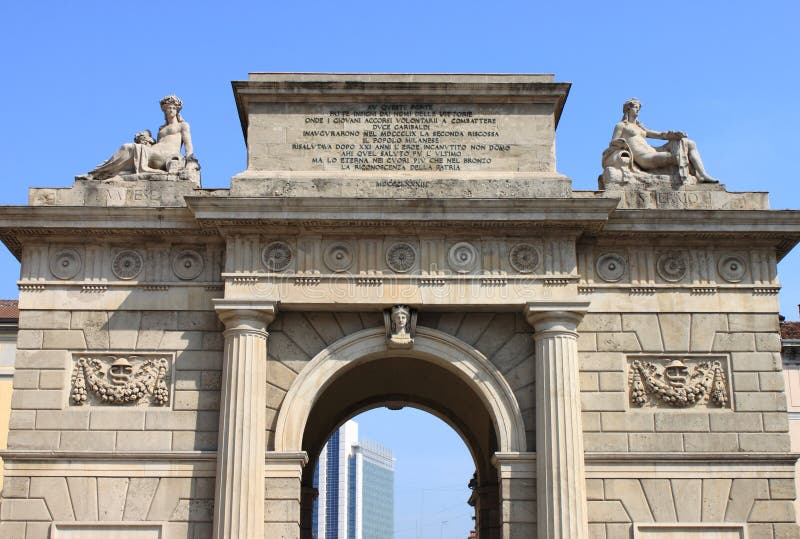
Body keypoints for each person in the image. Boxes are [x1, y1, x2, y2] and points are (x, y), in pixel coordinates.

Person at [607, 98, 718, 183]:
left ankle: (702, 174)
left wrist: (673, 136)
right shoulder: (621, 126)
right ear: (628, 109)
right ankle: (689, 176)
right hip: (644, 158)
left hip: (653, 151)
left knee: (688, 143)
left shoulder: (640, 128)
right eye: (635, 107)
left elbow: (659, 135)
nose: (637, 110)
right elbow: (612, 144)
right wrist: (622, 144)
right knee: (675, 157)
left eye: (638, 108)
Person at [85, 95, 194, 180]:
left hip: (166, 157)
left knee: (128, 148)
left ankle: (98, 172)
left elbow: (188, 144)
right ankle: (100, 173)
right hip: (153, 155)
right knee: (128, 152)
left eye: (173, 108)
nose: (171, 110)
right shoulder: (161, 129)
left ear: (177, 110)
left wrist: (190, 161)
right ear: (164, 111)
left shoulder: (182, 125)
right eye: (168, 108)